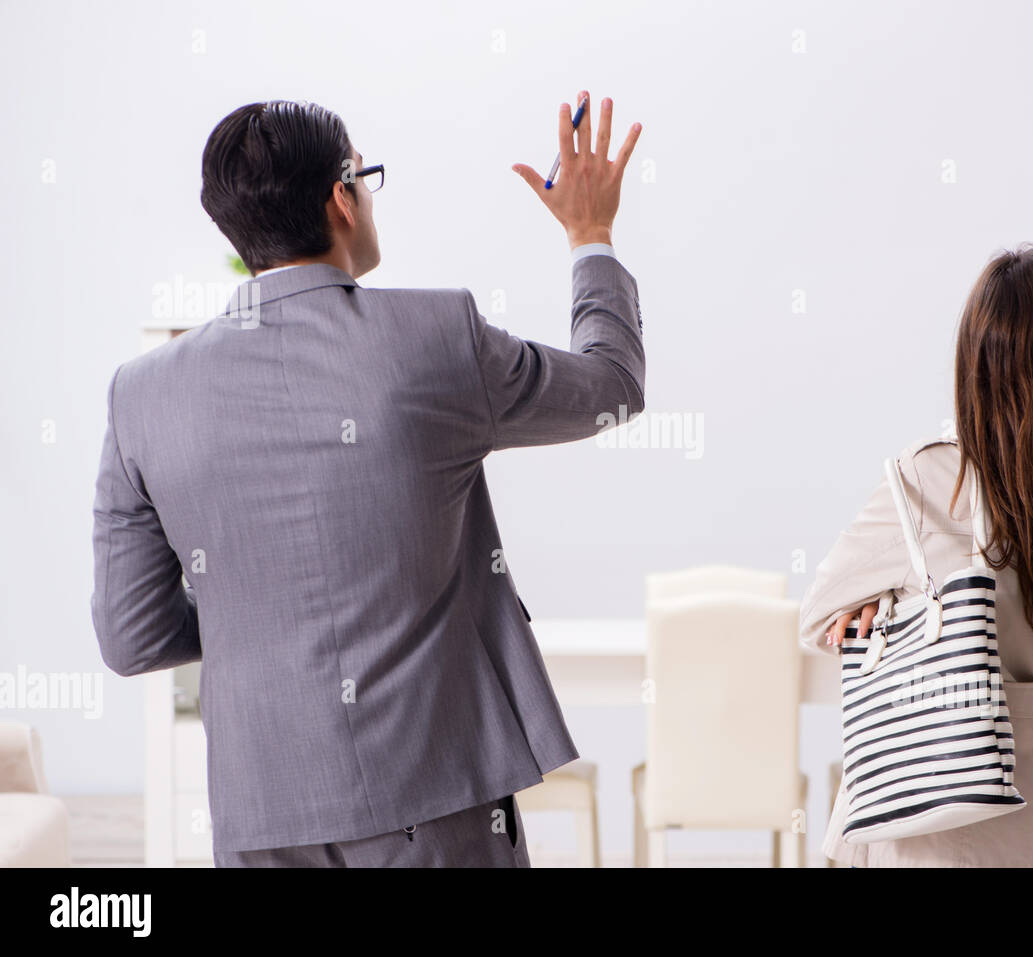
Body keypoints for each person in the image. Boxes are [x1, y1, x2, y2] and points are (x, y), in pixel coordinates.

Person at [90, 93, 644, 867]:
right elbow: (612, 387)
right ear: (341, 196)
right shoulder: (436, 338)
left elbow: (132, 634)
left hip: (261, 811)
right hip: (435, 795)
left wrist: (251, 599)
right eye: (366, 178)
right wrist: (590, 234)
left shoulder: (142, 393)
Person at [799, 244, 1033, 867]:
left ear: (978, 361)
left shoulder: (932, 475)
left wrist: (881, 601)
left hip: (942, 812)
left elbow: (815, 619)